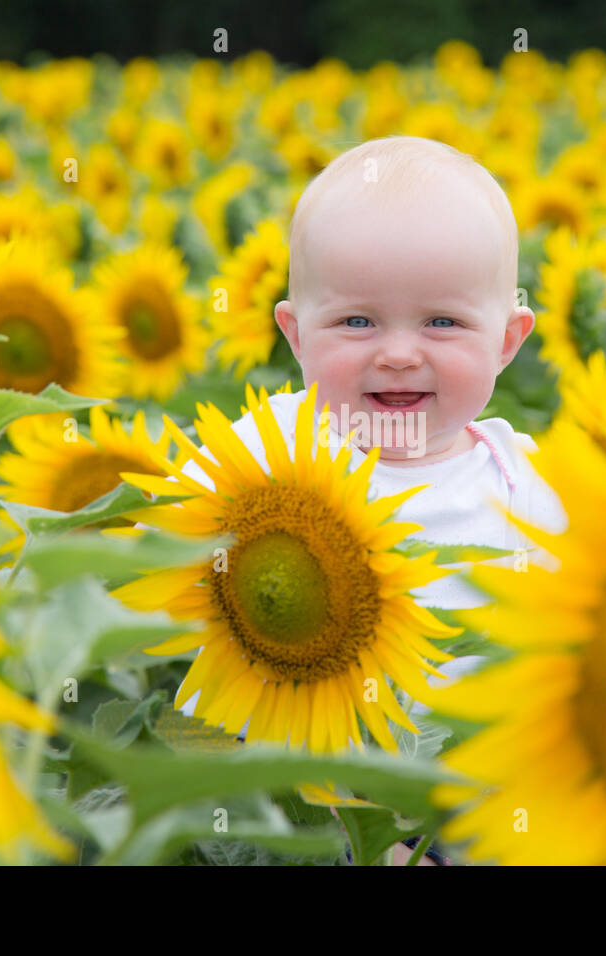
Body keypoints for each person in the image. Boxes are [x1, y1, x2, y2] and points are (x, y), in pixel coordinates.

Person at [164, 134, 569, 863]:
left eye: (442, 322)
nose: (399, 353)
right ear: (294, 334)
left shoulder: (527, 489)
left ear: (508, 342)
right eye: (357, 321)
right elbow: (168, 550)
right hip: (277, 797)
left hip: (453, 821)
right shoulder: (263, 453)